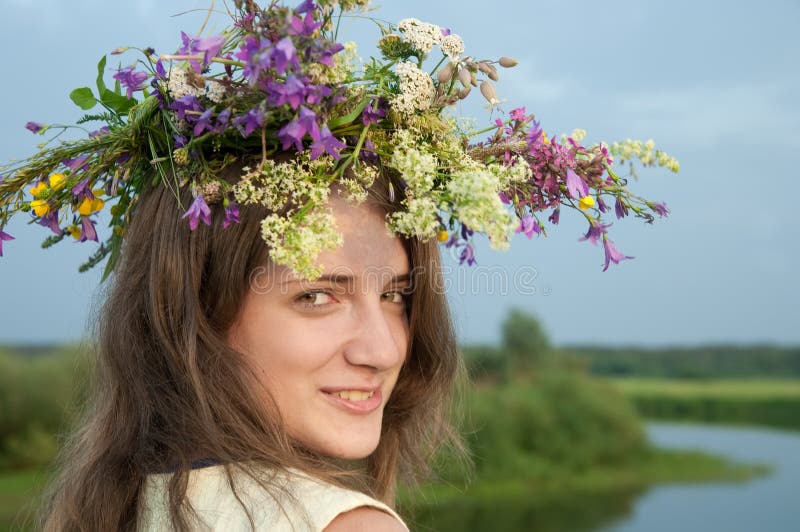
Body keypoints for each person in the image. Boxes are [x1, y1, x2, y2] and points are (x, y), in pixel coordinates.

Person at [0, 1, 676, 530]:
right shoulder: (344, 527)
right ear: (196, 310)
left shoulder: (121, 506)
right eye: (318, 296)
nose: (383, 350)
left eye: (399, 296)